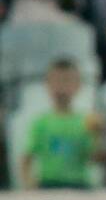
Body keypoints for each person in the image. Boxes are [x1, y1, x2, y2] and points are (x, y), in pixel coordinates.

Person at [21, 58, 100, 189]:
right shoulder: (40, 123)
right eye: (56, 81)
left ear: (78, 85)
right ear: (47, 85)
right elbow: (26, 159)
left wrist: (98, 135)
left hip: (79, 186)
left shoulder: (87, 122)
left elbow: (94, 159)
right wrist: (30, 188)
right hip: (48, 185)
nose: (61, 87)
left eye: (67, 81)